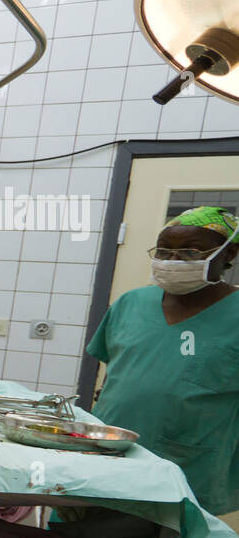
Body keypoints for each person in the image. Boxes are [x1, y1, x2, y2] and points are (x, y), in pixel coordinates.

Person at [86, 206, 239, 517]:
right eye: (165, 251)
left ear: (229, 253)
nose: (172, 261)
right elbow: (116, 375)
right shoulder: (132, 303)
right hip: (106, 455)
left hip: (188, 466)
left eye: (190, 252)